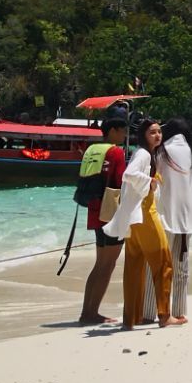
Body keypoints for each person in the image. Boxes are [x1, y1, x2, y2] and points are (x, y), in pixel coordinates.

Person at [103, 119, 174, 329]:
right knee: (163, 262)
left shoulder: (142, 153)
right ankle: (164, 315)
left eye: (159, 132)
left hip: (134, 217)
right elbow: (129, 174)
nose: (157, 135)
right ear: (144, 135)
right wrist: (150, 181)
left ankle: (131, 318)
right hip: (144, 215)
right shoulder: (143, 154)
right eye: (152, 132)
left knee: (134, 266)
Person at [76, 106, 131, 326]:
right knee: (108, 265)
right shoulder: (116, 152)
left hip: (94, 211)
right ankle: (91, 313)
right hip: (111, 213)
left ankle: (86, 311)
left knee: (99, 264)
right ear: (114, 130)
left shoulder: (92, 149)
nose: (126, 135)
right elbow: (120, 184)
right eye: (124, 130)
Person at [158, 119, 192, 325]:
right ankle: (180, 310)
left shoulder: (162, 152)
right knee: (181, 266)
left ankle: (153, 311)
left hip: (164, 215)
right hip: (188, 218)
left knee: (159, 266)